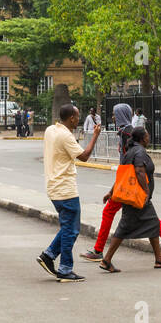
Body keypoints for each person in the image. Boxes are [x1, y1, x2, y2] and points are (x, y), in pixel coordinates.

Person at [82, 103, 161, 262]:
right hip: (129, 183)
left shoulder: (128, 134)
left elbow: (131, 165)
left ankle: (100, 251)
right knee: (149, 216)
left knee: (110, 213)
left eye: (115, 114)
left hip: (130, 185)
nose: (113, 117)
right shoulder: (124, 132)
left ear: (121, 115)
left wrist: (115, 189)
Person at [37, 104, 102, 283]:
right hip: (65, 188)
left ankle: (48, 255)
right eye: (77, 116)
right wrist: (95, 135)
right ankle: (65, 269)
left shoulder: (51, 129)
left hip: (53, 186)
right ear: (71, 118)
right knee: (72, 230)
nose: (78, 119)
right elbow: (84, 156)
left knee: (68, 227)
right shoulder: (66, 135)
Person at [97, 127, 161, 273]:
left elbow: (123, 175)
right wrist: (146, 191)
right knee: (124, 227)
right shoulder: (139, 152)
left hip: (137, 197)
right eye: (147, 135)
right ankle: (106, 260)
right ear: (142, 138)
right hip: (137, 198)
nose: (149, 138)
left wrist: (111, 192)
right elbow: (139, 171)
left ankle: (159, 259)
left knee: (153, 224)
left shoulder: (130, 151)